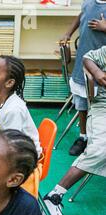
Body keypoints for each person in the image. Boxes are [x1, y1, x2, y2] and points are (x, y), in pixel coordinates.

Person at [43, 45, 106, 215]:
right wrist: (97, 72)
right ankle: (54, 196)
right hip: (103, 107)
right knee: (101, 148)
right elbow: (88, 57)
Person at [0, 55, 42, 198]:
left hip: (23, 158)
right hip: (8, 150)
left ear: (9, 82)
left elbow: (12, 148)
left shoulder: (13, 109)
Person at [60, 1, 106, 156]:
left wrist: (104, 28)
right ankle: (83, 137)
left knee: (98, 105)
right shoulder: (88, 2)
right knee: (82, 104)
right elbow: (81, 16)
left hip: (101, 67)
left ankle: (97, 139)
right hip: (82, 64)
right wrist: (68, 33)